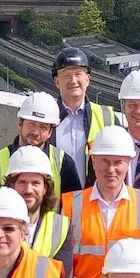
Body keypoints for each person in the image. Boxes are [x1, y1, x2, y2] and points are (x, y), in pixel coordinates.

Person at [62, 125, 140, 278]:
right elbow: (64, 267)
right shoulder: (71, 204)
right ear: (93, 161)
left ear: (129, 163)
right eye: (105, 161)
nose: (111, 169)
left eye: (118, 162)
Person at [49, 46, 119, 185]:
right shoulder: (47, 118)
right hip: (56, 203)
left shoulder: (107, 118)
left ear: (88, 79)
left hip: (93, 202)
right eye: (67, 75)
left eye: (78, 74)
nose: (73, 80)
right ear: (57, 81)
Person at [0, 92, 82, 198]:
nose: (36, 132)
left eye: (43, 127)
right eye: (31, 124)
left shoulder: (64, 164)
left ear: (50, 132)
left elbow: (73, 208)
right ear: (20, 124)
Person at [2, 146, 74, 260]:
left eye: (35, 183)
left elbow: (61, 275)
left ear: (45, 188)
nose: (28, 190)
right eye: (22, 182)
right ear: (11, 185)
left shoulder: (61, 227)